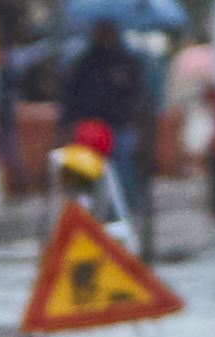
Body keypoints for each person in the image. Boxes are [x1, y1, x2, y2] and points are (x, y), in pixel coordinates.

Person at [59, 15, 153, 222]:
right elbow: (71, 96)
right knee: (87, 175)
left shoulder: (127, 61)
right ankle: (90, 215)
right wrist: (69, 124)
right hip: (90, 127)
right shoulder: (84, 63)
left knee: (123, 172)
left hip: (120, 125)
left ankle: (123, 214)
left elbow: (137, 95)